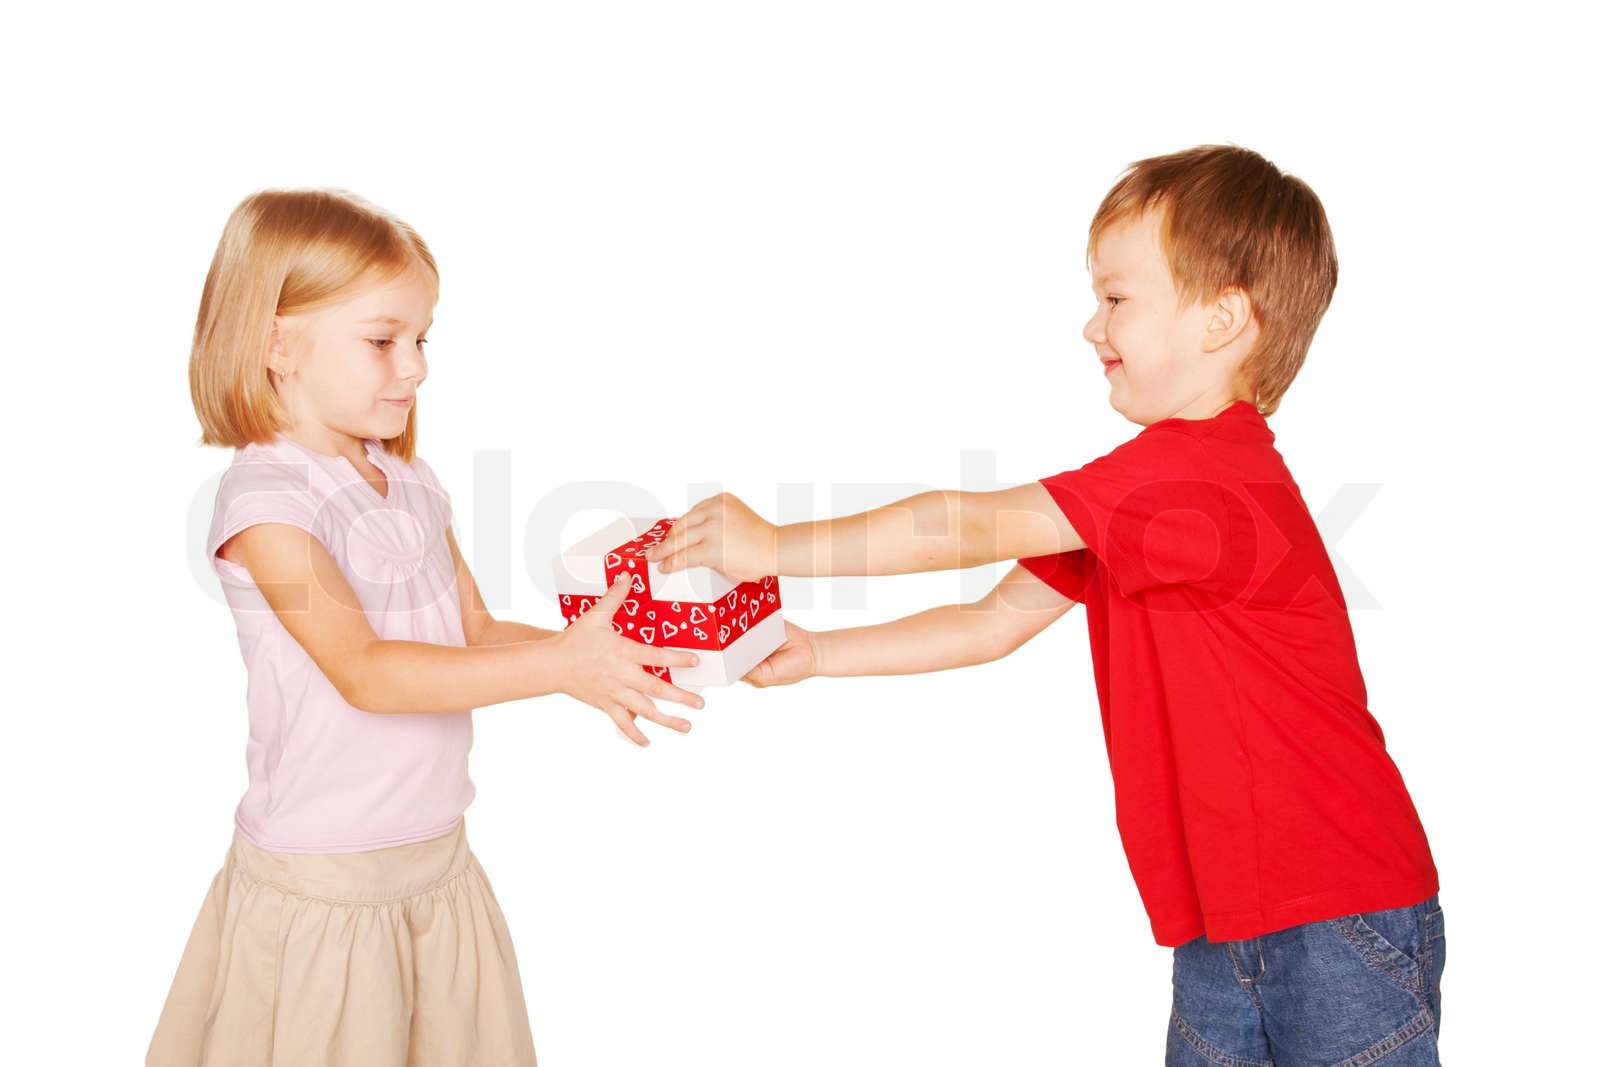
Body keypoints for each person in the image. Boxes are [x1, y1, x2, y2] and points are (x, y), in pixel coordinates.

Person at [644, 145, 1447, 1065]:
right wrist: (821, 651)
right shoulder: (1144, 504)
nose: (1090, 325)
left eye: (1117, 298)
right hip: (1227, 926)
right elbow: (993, 621)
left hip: (1336, 916)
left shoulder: (1198, 478)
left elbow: (961, 525)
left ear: (1224, 317)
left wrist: (778, 543)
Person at [147, 187, 705, 1066]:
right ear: (277, 345)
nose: (415, 367)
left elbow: (472, 633)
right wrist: (563, 664)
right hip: (326, 886)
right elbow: (366, 669)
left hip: (436, 868)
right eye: (383, 340)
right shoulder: (266, 500)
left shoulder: (411, 484)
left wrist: (617, 651)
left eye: (422, 338)